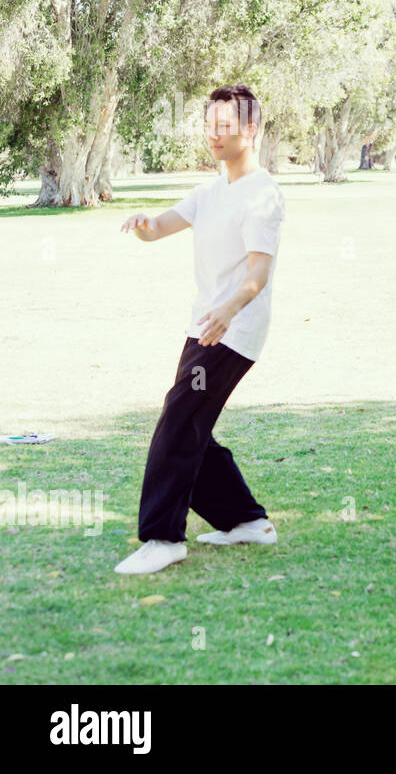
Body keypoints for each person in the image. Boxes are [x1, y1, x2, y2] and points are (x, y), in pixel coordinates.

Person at [114, 84, 287, 575]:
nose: (214, 134)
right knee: (193, 426)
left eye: (225, 126)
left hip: (234, 329)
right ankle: (247, 521)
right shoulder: (210, 191)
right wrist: (144, 223)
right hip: (206, 324)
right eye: (209, 125)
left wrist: (228, 311)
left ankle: (163, 538)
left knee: (178, 420)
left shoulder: (263, 196)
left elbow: (257, 275)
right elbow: (163, 226)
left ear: (250, 129)